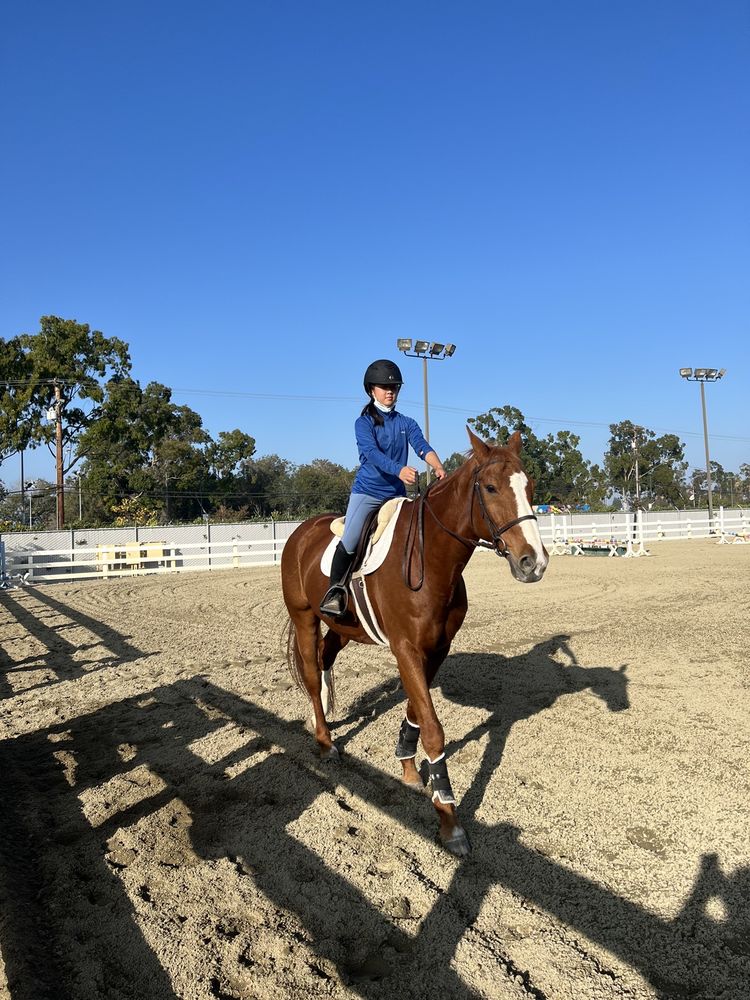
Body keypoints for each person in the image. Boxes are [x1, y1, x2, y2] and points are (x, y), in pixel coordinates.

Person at [319, 358, 447, 617]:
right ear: (371, 390)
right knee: (352, 537)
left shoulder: (407, 423)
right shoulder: (364, 423)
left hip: (396, 496)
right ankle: (335, 592)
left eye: (394, 387)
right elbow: (371, 454)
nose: (390, 391)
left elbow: (422, 446)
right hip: (368, 492)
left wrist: (438, 466)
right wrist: (399, 470)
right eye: (383, 387)